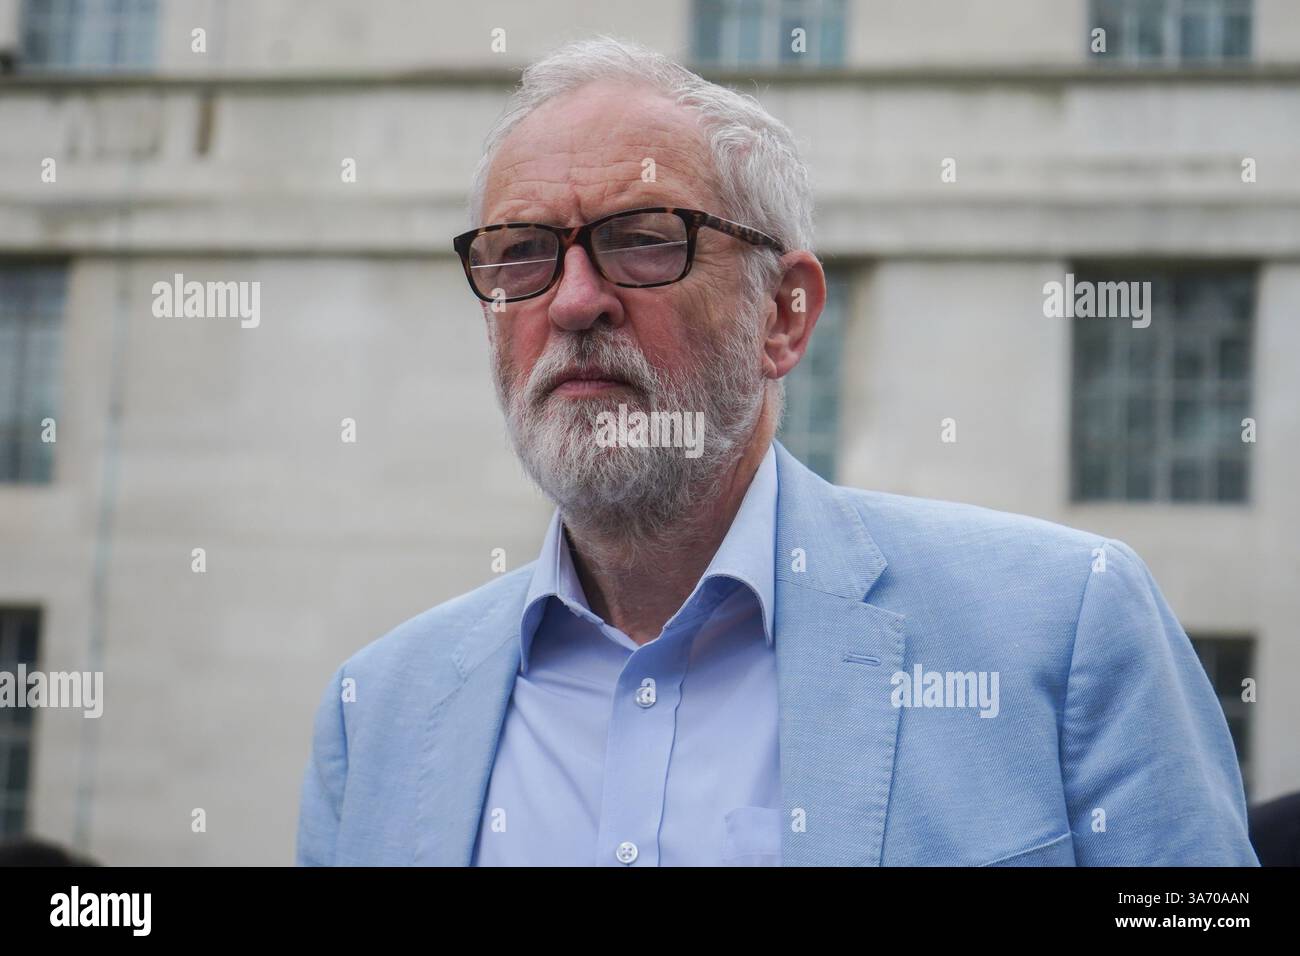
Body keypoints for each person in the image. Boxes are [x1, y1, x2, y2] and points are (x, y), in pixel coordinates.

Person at [296, 36, 1256, 867]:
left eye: (640, 241)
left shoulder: (1066, 628)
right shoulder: (376, 712)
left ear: (784, 315)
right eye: (521, 254)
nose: (574, 301)